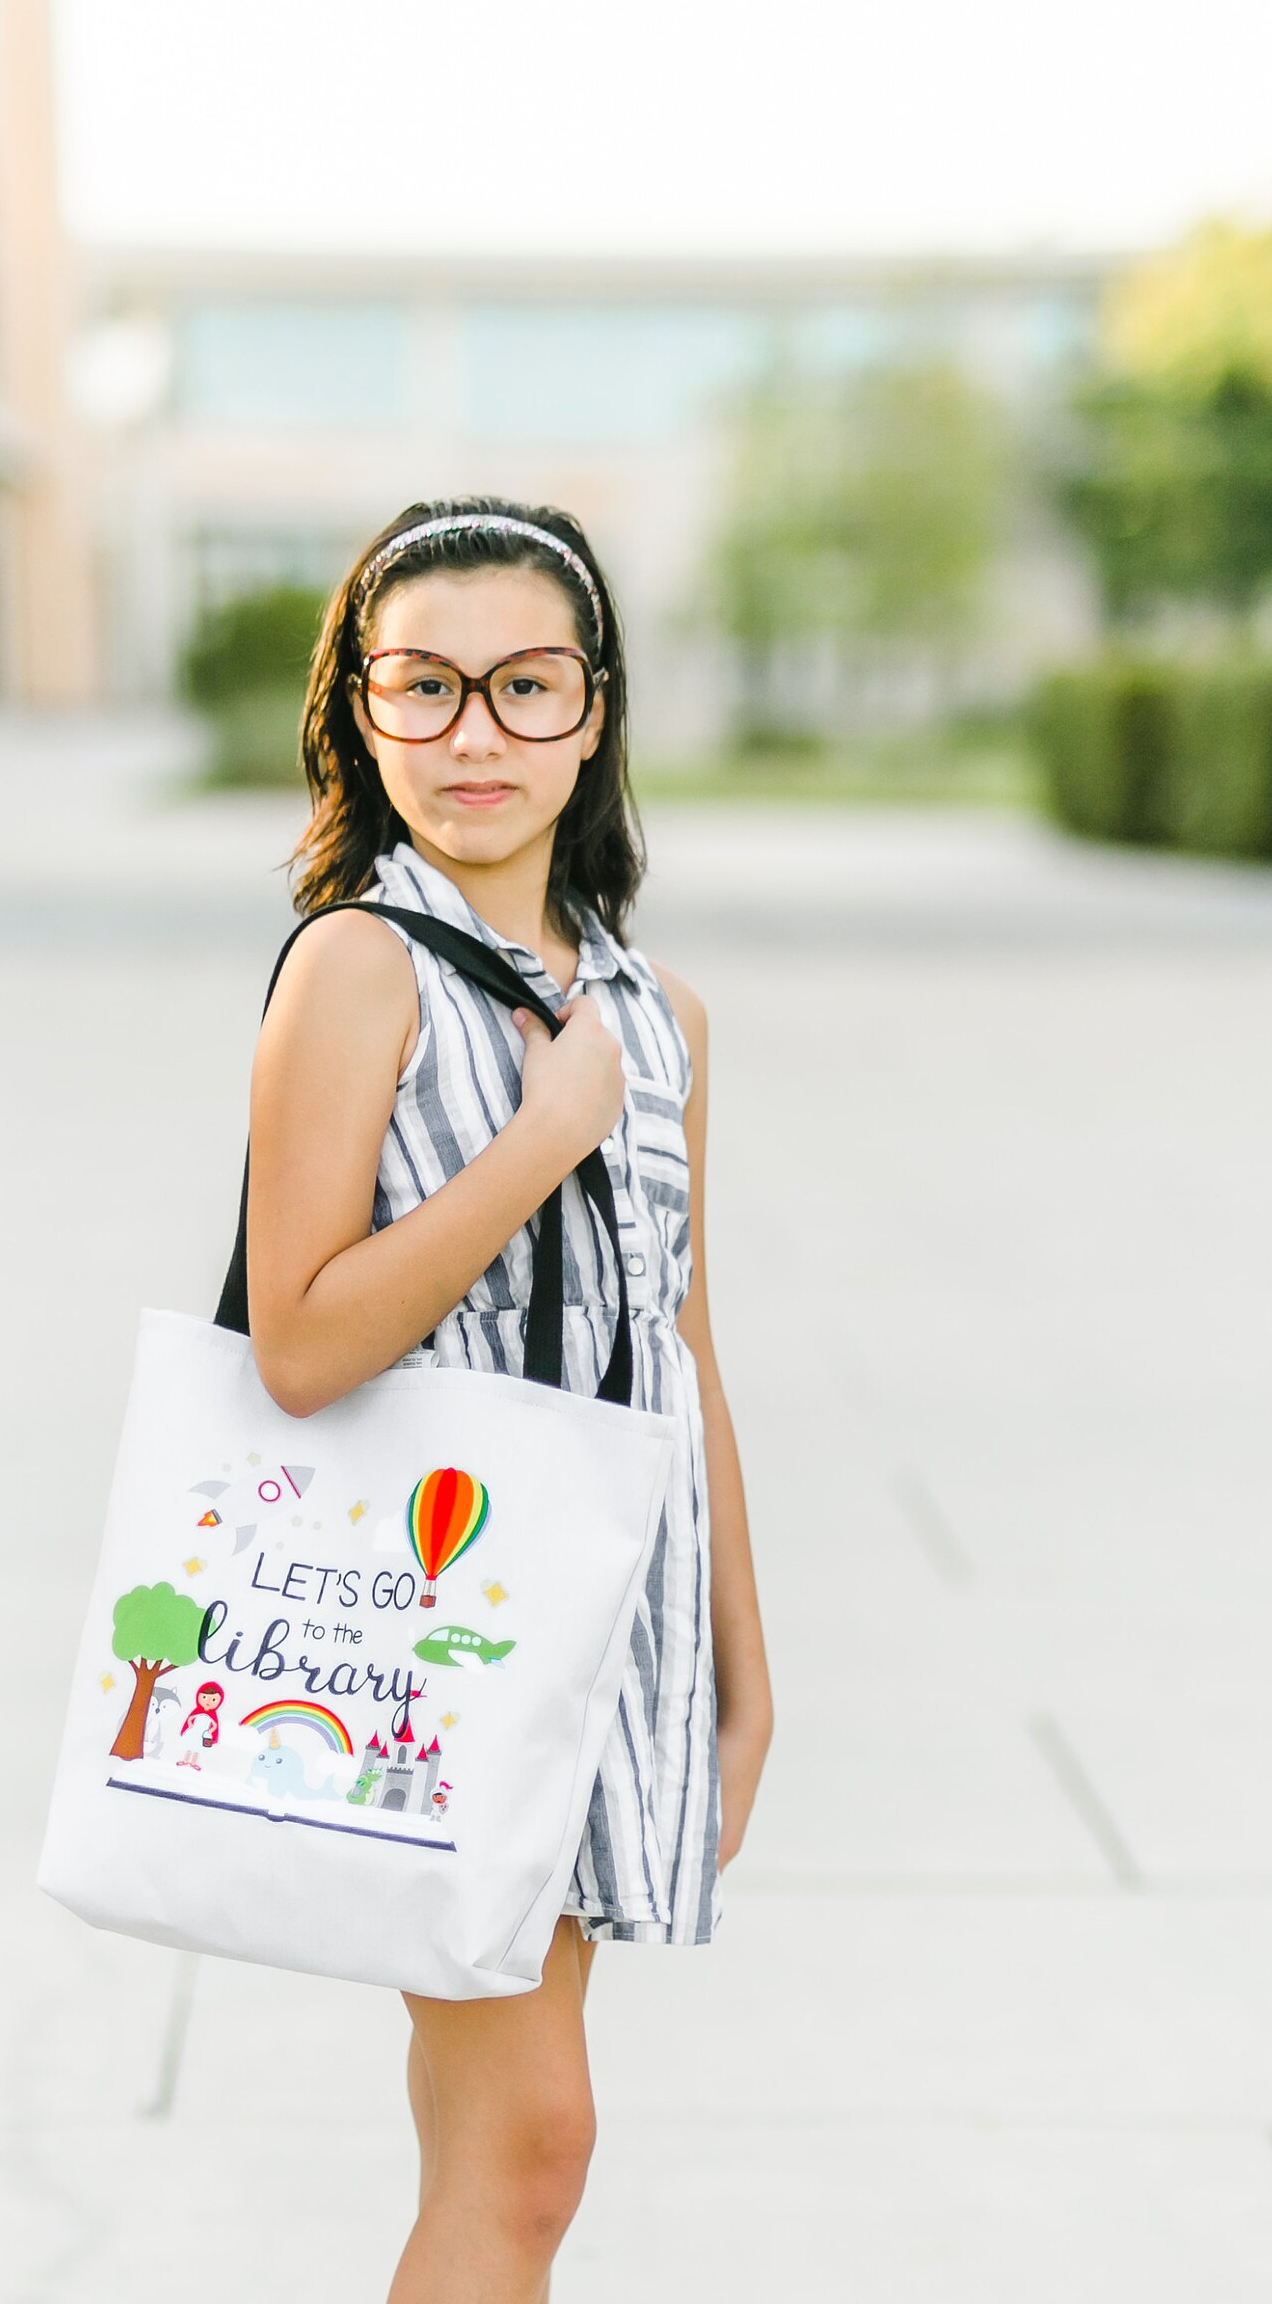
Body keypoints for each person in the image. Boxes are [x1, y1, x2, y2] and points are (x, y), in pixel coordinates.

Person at [245, 494, 773, 2304]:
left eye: (526, 687)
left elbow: (675, 1334)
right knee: (538, 2143)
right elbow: (303, 1341)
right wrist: (539, 1142)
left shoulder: (659, 1011)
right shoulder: (355, 968)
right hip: (440, 1621)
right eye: (428, 685)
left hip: (610, 1621)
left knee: (494, 2139)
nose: (476, 735)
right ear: (360, 709)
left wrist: (744, 1662)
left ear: (597, 709)